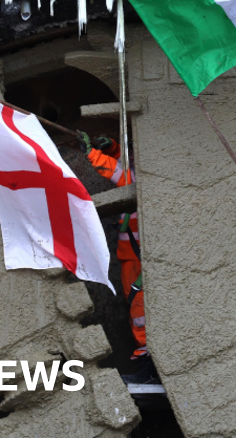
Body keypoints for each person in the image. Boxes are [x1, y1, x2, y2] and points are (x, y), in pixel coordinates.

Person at [78, 132, 157, 384]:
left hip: (146, 260)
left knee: (142, 311)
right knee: (136, 312)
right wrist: (111, 147)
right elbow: (122, 161)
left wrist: (91, 153)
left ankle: (152, 366)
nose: (132, 154)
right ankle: (146, 361)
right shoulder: (135, 171)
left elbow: (116, 172)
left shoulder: (142, 179)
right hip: (129, 258)